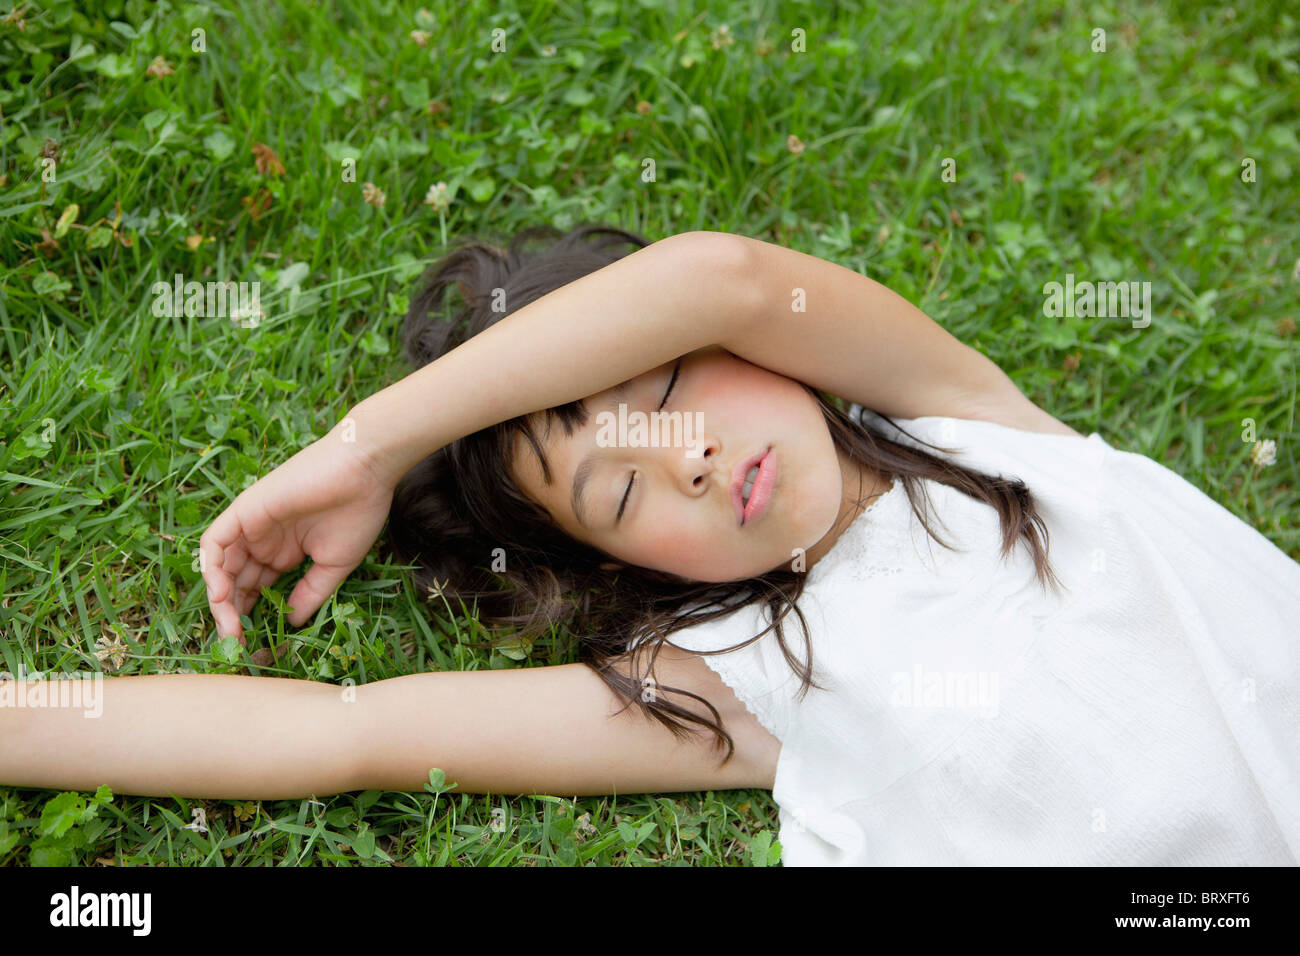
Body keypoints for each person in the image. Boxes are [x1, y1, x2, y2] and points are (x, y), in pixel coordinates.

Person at [4, 225, 1296, 865]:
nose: (679, 461)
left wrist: (368, 447)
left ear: (759, 352)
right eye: (621, 499)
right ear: (636, 572)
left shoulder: (981, 427)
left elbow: (720, 276)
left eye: (672, 395)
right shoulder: (748, 678)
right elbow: (339, 731)